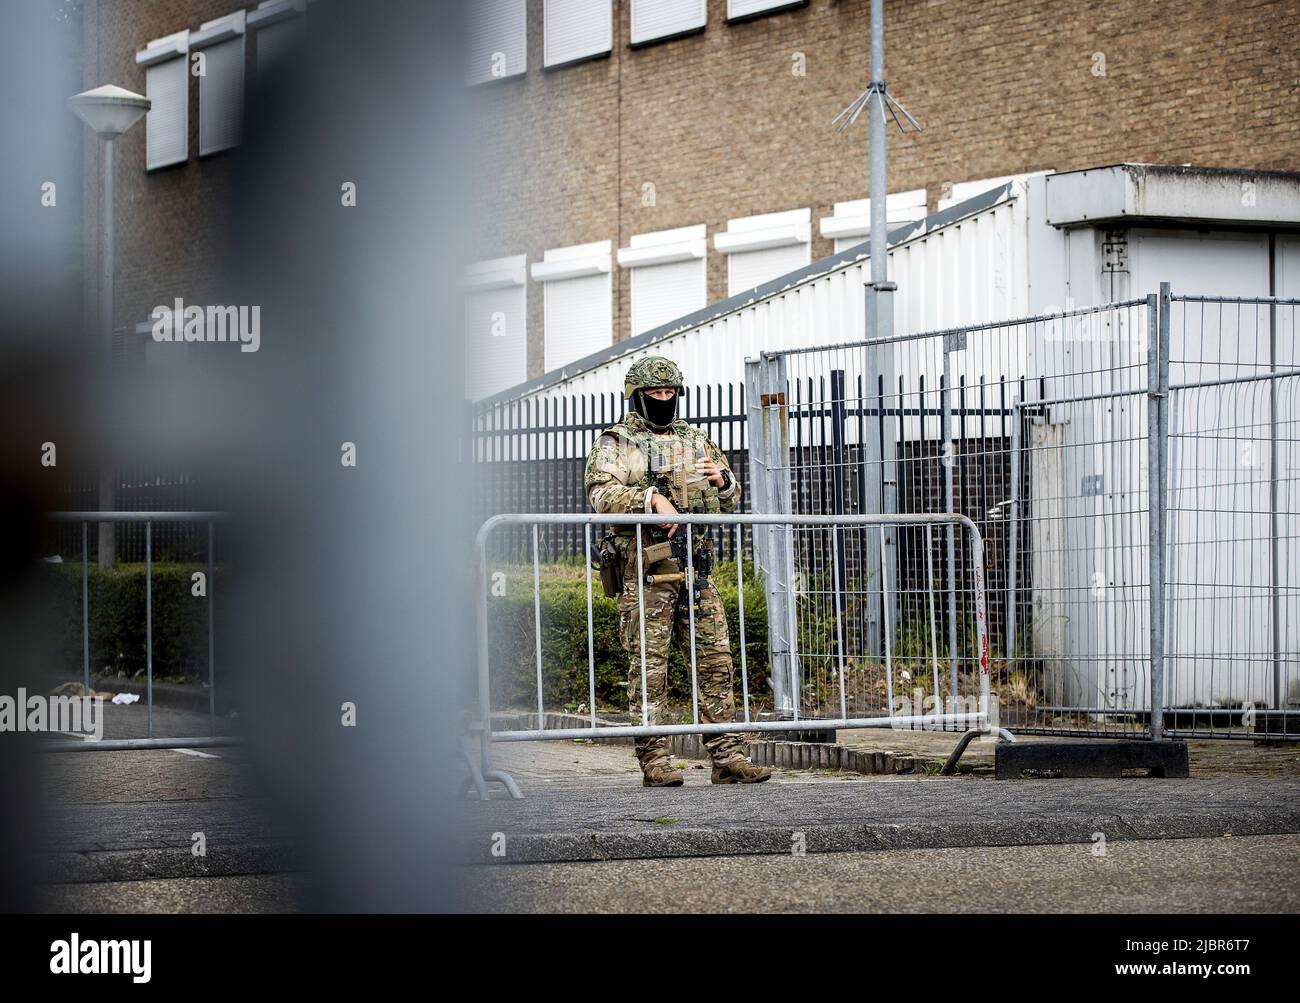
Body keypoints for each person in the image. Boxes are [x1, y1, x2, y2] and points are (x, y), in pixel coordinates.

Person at [583, 356, 771, 787]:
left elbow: (731, 498)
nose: (664, 399)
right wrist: (650, 498)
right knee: (650, 667)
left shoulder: (696, 439)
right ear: (637, 396)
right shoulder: (617, 442)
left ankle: (727, 757)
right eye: (655, 393)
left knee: (716, 662)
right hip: (646, 572)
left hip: (696, 570)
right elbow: (601, 494)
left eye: (670, 393)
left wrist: (723, 481)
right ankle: (655, 760)